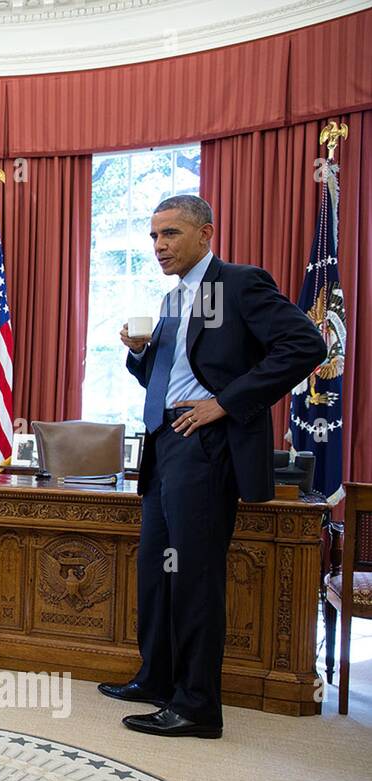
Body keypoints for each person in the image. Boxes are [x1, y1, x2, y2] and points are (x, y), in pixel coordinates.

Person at [103, 195, 327, 738]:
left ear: (206, 234)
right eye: (154, 236)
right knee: (158, 570)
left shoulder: (239, 283)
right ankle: (157, 679)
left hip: (205, 448)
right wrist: (140, 354)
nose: (159, 246)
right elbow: (167, 379)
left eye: (171, 234)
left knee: (194, 577)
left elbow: (307, 344)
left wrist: (225, 402)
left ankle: (198, 707)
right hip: (162, 444)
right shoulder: (174, 300)